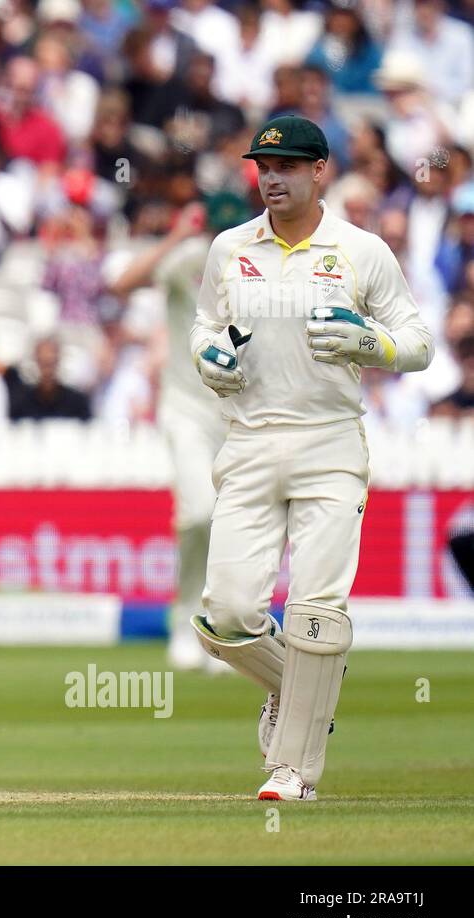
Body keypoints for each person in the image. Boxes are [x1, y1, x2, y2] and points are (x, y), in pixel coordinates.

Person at [189, 116, 432, 800]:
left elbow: (417, 343)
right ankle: (307, 689)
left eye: (289, 166)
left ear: (320, 170)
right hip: (249, 440)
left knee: (317, 611)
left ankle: (293, 770)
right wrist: (207, 357)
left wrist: (370, 341)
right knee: (226, 617)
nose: (272, 178)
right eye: (264, 167)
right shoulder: (229, 248)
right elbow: (206, 326)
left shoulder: (361, 250)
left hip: (330, 442)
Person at [108, 196, 247, 672]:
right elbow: (123, 283)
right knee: (198, 513)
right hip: (185, 408)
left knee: (235, 523)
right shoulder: (186, 259)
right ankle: (187, 616)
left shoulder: (260, 269)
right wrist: (175, 236)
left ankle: (224, 629)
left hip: (237, 413)